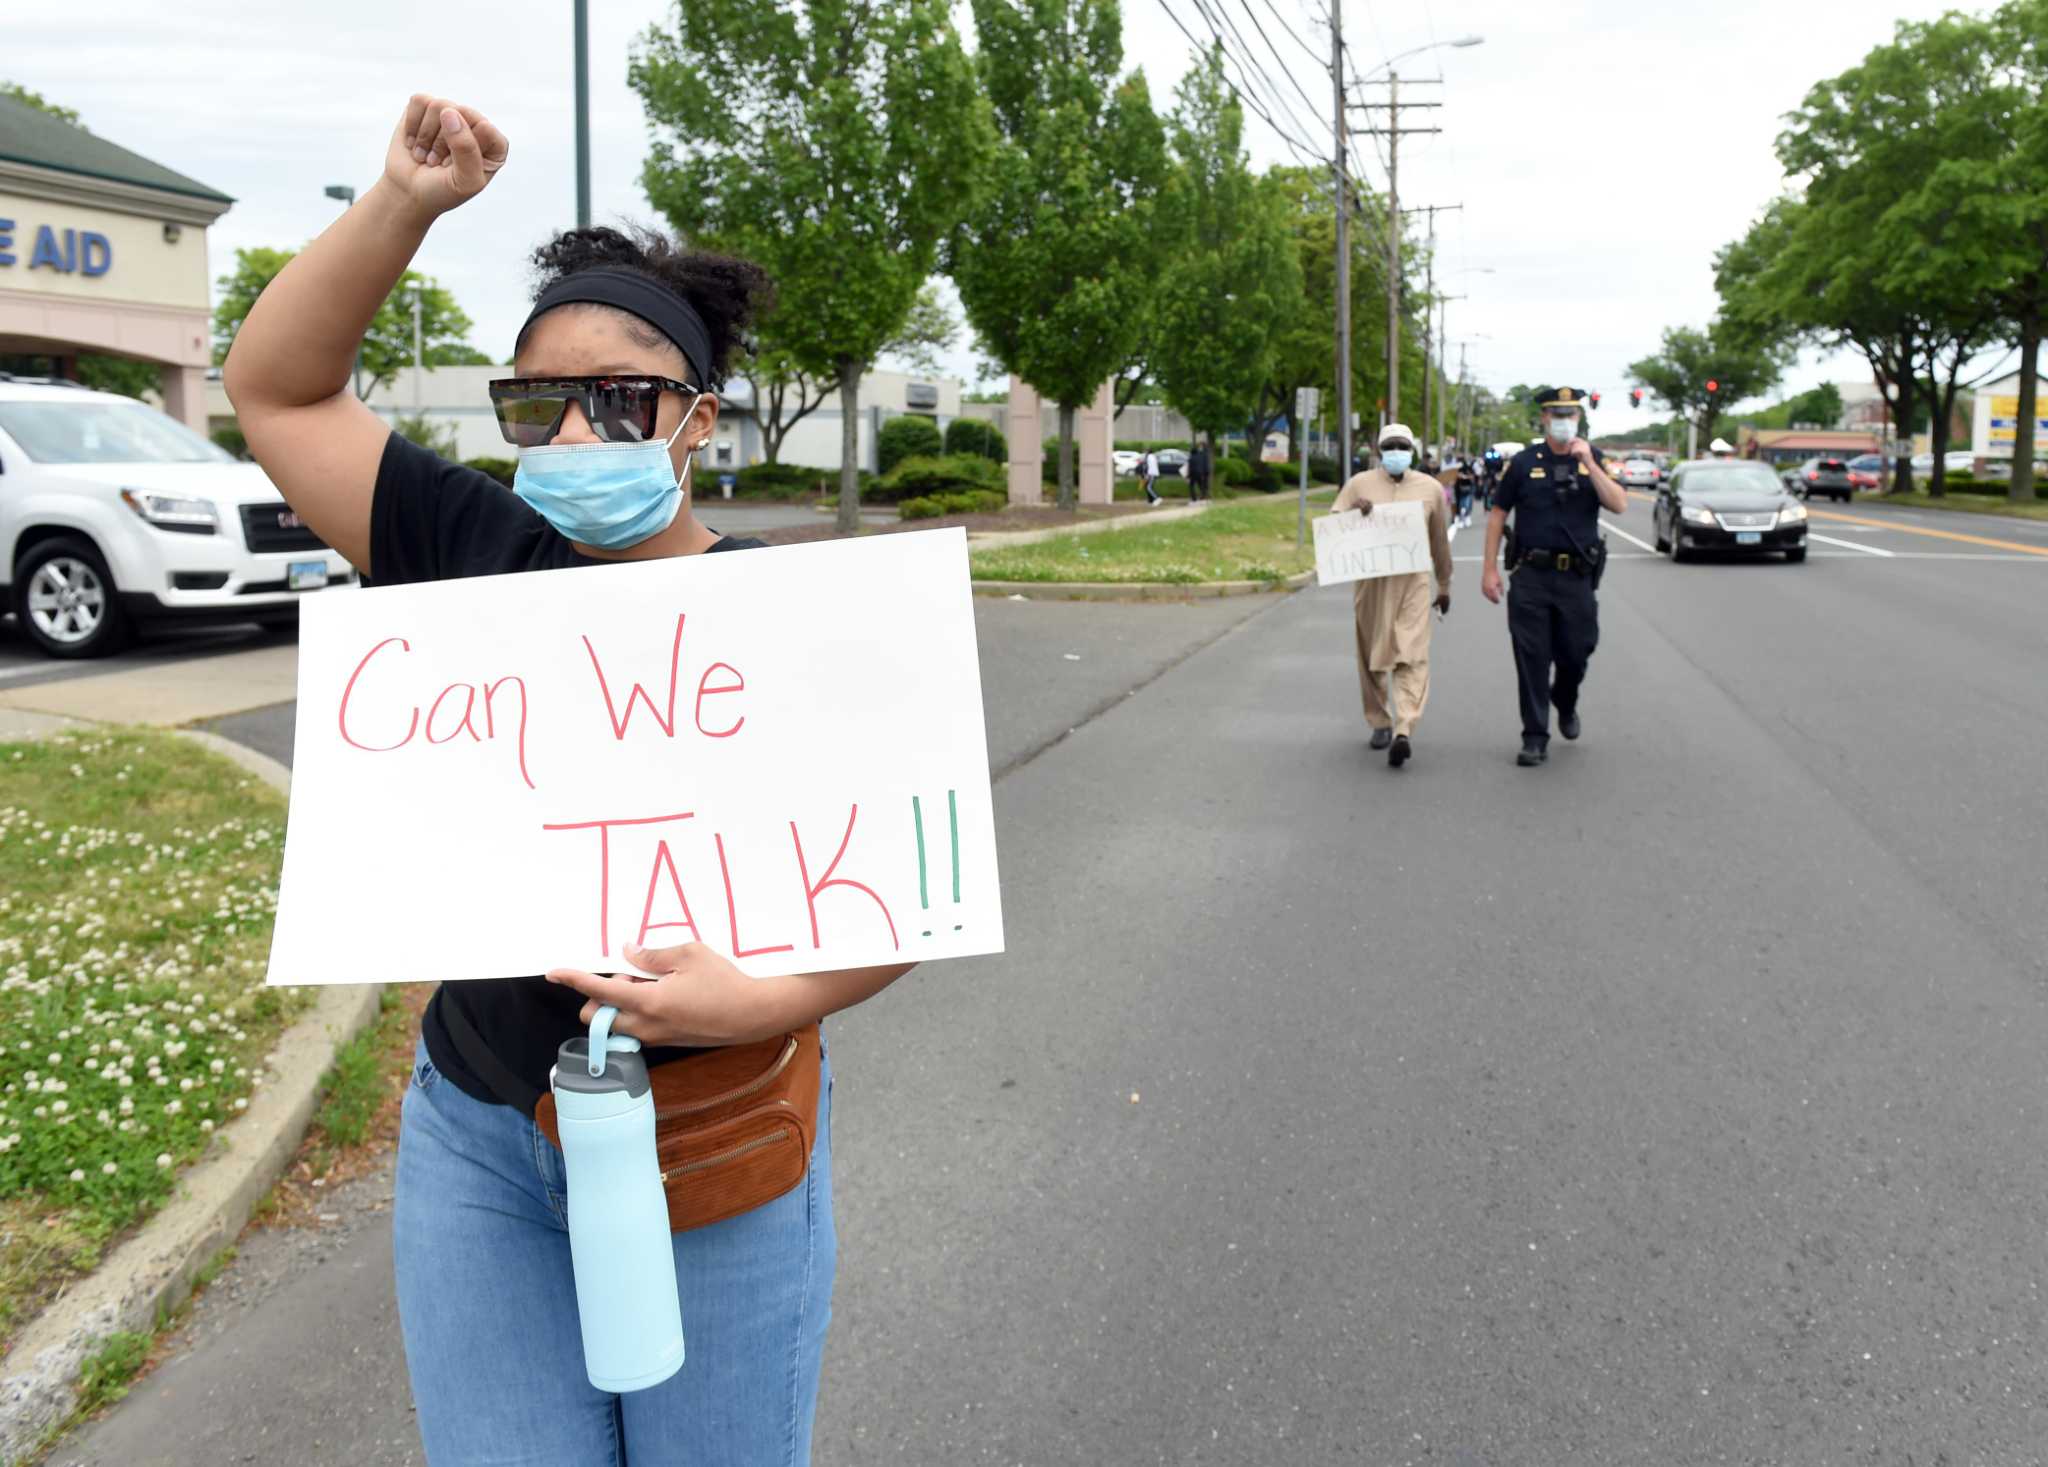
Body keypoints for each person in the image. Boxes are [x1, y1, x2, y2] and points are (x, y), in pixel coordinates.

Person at [221, 93, 913, 1465]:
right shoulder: (467, 548)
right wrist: (405, 203)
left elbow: (908, 885)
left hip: (716, 1142)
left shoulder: (797, 617)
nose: (580, 435)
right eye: (544, 403)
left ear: (698, 420)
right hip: (479, 1135)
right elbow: (279, 389)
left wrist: (760, 996)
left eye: (623, 400)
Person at [1480, 386, 1629, 767]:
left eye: (1570, 416)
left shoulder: (1593, 458)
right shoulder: (1525, 462)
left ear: (1579, 420)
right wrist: (1489, 569)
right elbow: (1498, 514)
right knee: (1531, 656)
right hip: (1531, 575)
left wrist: (1590, 465)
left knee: (1577, 651)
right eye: (1556, 416)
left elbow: (1619, 504)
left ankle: (1565, 699)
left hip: (1576, 579)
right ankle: (1534, 736)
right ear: (1545, 419)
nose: (1564, 422)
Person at [1329, 423, 1454, 768]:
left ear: (1411, 450)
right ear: (1380, 450)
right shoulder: (1359, 484)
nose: (1397, 450)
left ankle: (1404, 727)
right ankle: (1379, 720)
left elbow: (1438, 541)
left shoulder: (1429, 489)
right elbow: (1334, 529)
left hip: (1412, 584)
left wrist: (1444, 584)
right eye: (1391, 445)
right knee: (1371, 652)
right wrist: (1356, 513)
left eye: (1402, 445)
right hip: (1372, 583)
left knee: (1410, 653)